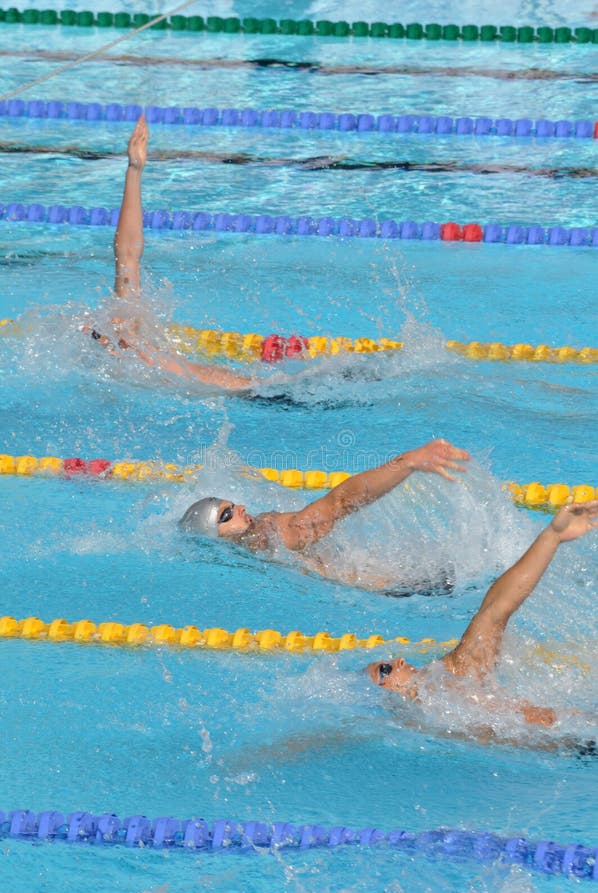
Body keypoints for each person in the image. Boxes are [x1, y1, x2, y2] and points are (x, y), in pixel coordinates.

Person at [367, 499, 598, 733]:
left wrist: (552, 536)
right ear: (384, 692)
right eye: (385, 670)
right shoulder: (424, 720)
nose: (400, 661)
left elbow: (495, 610)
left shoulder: (454, 672)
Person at [83, 115, 254, 392]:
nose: (114, 321)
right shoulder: (126, 358)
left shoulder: (130, 336)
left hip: (249, 390)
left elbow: (127, 253)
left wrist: (134, 170)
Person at [180, 437, 470, 590]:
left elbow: (340, 502)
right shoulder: (258, 543)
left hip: (411, 587)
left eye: (232, 505)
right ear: (214, 537)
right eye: (226, 515)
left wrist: (407, 462)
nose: (239, 508)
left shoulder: (275, 534)